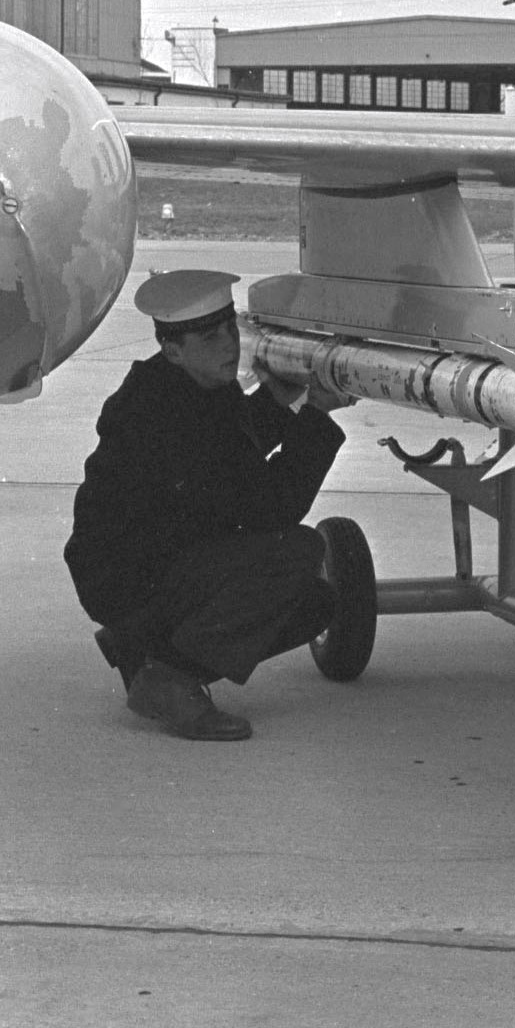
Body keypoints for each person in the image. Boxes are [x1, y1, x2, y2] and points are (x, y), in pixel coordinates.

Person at [65, 269, 350, 741]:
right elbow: (271, 506)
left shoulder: (180, 384)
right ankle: (170, 679)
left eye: (230, 328)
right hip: (127, 579)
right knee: (297, 550)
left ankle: (141, 648)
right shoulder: (163, 416)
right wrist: (315, 417)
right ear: (173, 349)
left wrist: (278, 403)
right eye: (210, 336)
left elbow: (230, 442)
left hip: (153, 564)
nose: (229, 344)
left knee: (314, 603)